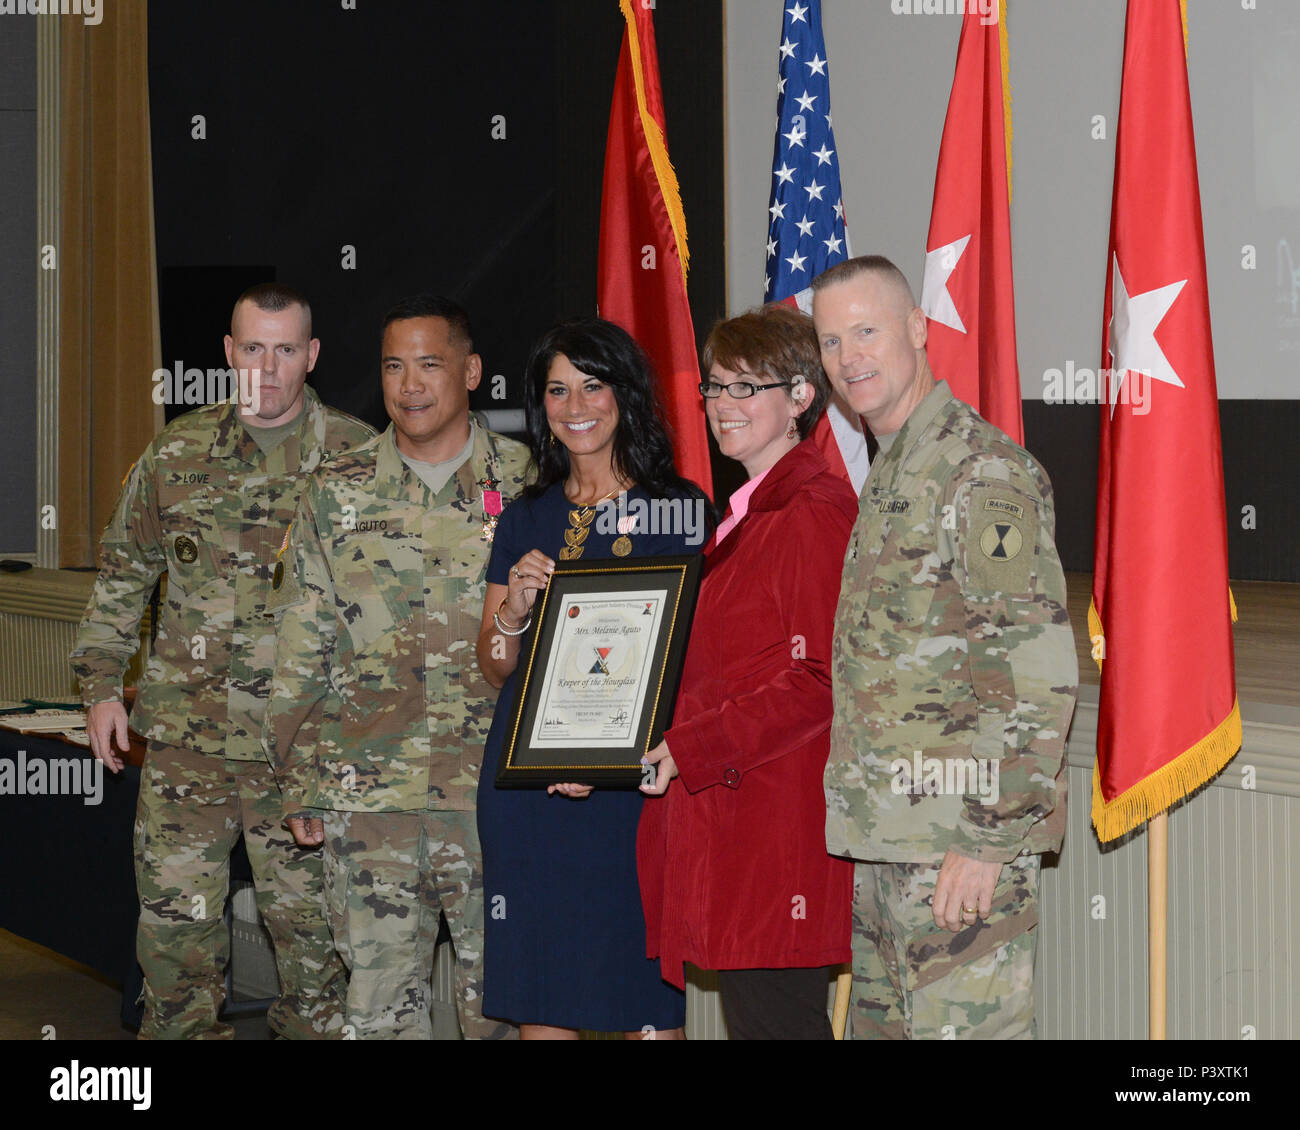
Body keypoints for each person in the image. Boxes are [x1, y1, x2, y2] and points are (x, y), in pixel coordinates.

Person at [70, 283, 373, 1039]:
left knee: (317, 963)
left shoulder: (361, 460)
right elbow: (122, 572)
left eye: (284, 350)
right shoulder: (176, 451)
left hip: (304, 754)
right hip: (187, 755)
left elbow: (389, 611)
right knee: (175, 960)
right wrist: (102, 686)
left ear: (311, 356)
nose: (265, 368)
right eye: (251, 347)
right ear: (228, 352)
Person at [811, 255, 1078, 1039]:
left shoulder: (978, 470)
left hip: (958, 855)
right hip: (890, 844)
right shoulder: (898, 470)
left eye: (867, 332)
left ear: (919, 331)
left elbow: (1038, 672)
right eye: (831, 342)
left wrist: (989, 841)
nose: (849, 357)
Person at [263, 295, 531, 1040]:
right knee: (378, 1016)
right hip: (369, 803)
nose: (409, 384)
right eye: (392, 366)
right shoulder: (335, 489)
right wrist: (300, 779)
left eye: (429, 364)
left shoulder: (531, 483)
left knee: (506, 1012)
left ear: (471, 371)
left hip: (497, 800)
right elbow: (301, 645)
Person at [475, 316, 710, 1039]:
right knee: (540, 1003)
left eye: (592, 385)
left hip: (634, 794)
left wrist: (602, 762)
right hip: (528, 797)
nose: (575, 406)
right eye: (556, 390)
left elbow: (694, 664)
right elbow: (493, 666)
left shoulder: (683, 510)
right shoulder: (523, 518)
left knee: (646, 1004)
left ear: (624, 394)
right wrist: (512, 607)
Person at [637, 303, 856, 1040]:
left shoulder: (809, 510)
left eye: (747, 388)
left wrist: (695, 747)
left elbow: (820, 681)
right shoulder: (752, 508)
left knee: (778, 1027)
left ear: (801, 398)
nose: (723, 406)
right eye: (715, 387)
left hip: (775, 832)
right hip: (737, 824)